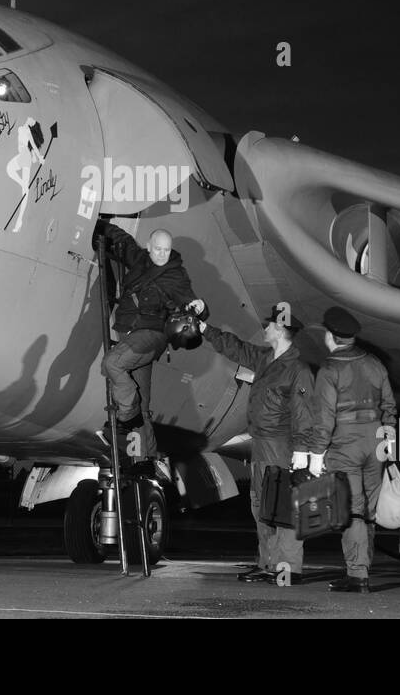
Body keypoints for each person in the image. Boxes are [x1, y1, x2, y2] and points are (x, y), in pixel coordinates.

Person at [200, 304, 314, 584]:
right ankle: (268, 564)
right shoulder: (265, 359)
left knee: (283, 507)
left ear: (281, 330)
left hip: (281, 446)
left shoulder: (298, 370)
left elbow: (304, 411)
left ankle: (287, 568)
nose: (265, 328)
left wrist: (302, 450)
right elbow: (234, 348)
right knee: (261, 506)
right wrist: (204, 328)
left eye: (270, 325)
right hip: (261, 444)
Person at [301, 307, 396, 593]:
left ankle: (357, 575)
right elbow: (389, 405)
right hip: (376, 438)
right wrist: (388, 438)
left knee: (352, 509)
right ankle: (362, 567)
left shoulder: (330, 369)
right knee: (369, 508)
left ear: (330, 336)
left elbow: (324, 417)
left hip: (345, 442)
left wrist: (316, 455)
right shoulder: (375, 363)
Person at [95, 221, 207, 446]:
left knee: (112, 364)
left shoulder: (175, 276)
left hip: (151, 335)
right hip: (130, 334)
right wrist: (99, 226)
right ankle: (146, 459)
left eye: (166, 250)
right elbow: (123, 240)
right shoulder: (138, 258)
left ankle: (127, 416)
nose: (162, 254)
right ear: (148, 246)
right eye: (158, 249)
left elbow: (190, 301)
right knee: (144, 406)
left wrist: (200, 308)